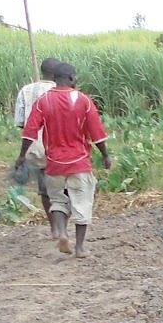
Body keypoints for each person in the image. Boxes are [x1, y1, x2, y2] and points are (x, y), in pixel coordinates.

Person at [17, 62, 111, 259]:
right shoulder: (83, 100)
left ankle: (61, 233)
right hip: (79, 162)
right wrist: (105, 155)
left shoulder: (43, 101)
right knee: (82, 202)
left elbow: (30, 131)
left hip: (54, 162)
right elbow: (96, 133)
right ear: (70, 78)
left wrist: (22, 155)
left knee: (58, 200)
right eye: (75, 77)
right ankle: (80, 247)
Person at [12, 57, 60, 234]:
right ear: (57, 74)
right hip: (61, 147)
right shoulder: (62, 91)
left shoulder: (26, 90)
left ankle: (54, 226)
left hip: (35, 147)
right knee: (65, 188)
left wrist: (22, 154)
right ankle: (63, 224)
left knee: (44, 190)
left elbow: (21, 122)